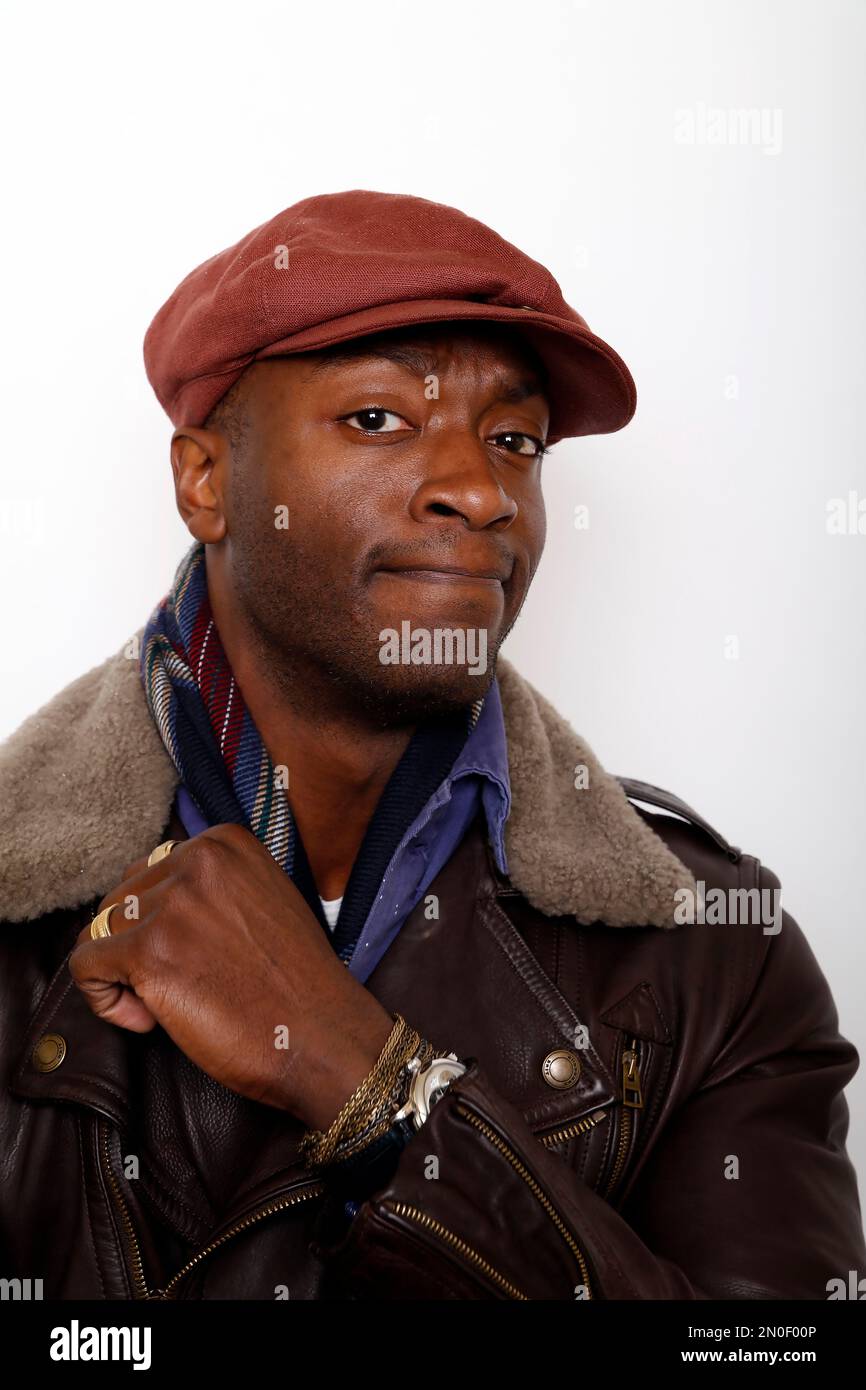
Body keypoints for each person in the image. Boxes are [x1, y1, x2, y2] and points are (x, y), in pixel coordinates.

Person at [0, 189, 863, 1301]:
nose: (480, 489)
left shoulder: (713, 952)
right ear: (205, 482)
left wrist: (373, 1087)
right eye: (378, 420)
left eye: (513, 440)